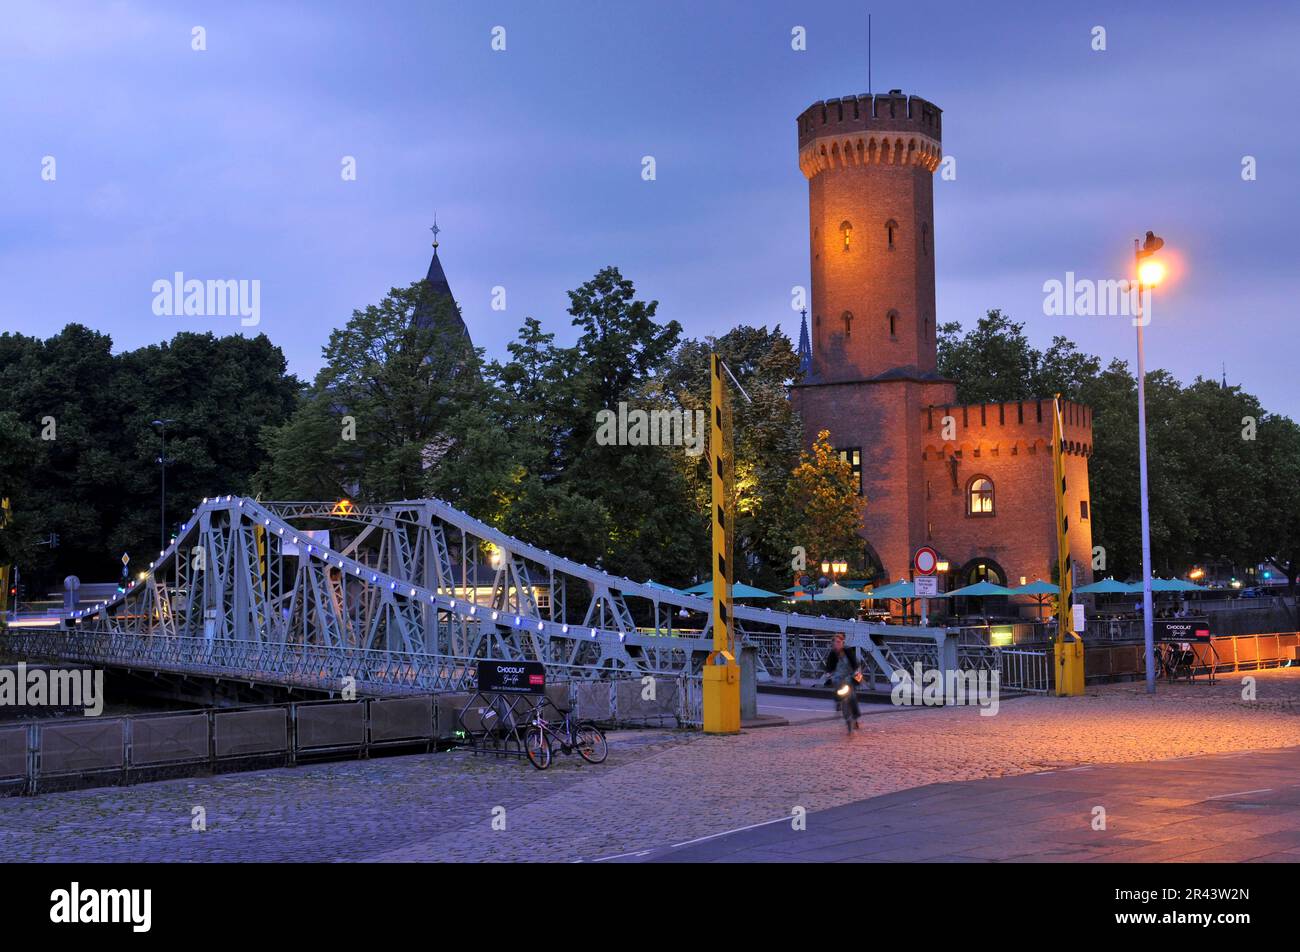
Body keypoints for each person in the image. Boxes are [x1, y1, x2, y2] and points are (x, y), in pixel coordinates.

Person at [823, 633, 863, 730]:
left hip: (849, 676)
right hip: (838, 677)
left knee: (852, 696)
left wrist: (857, 674)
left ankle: (855, 717)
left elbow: (855, 664)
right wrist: (828, 675)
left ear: (842, 642)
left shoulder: (848, 651)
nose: (836, 644)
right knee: (836, 687)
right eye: (835, 642)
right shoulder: (832, 654)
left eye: (838, 642)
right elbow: (828, 668)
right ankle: (838, 701)